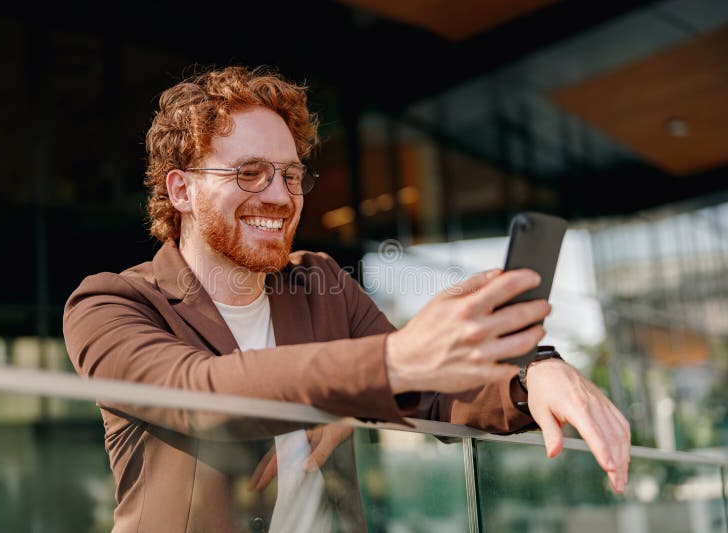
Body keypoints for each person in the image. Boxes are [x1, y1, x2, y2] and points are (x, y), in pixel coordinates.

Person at [63, 65, 630, 532]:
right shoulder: (110, 305)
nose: (279, 195)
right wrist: (379, 371)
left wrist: (530, 378)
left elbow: (430, 389)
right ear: (181, 189)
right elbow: (199, 393)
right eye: (250, 172)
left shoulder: (321, 283)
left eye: (289, 175)